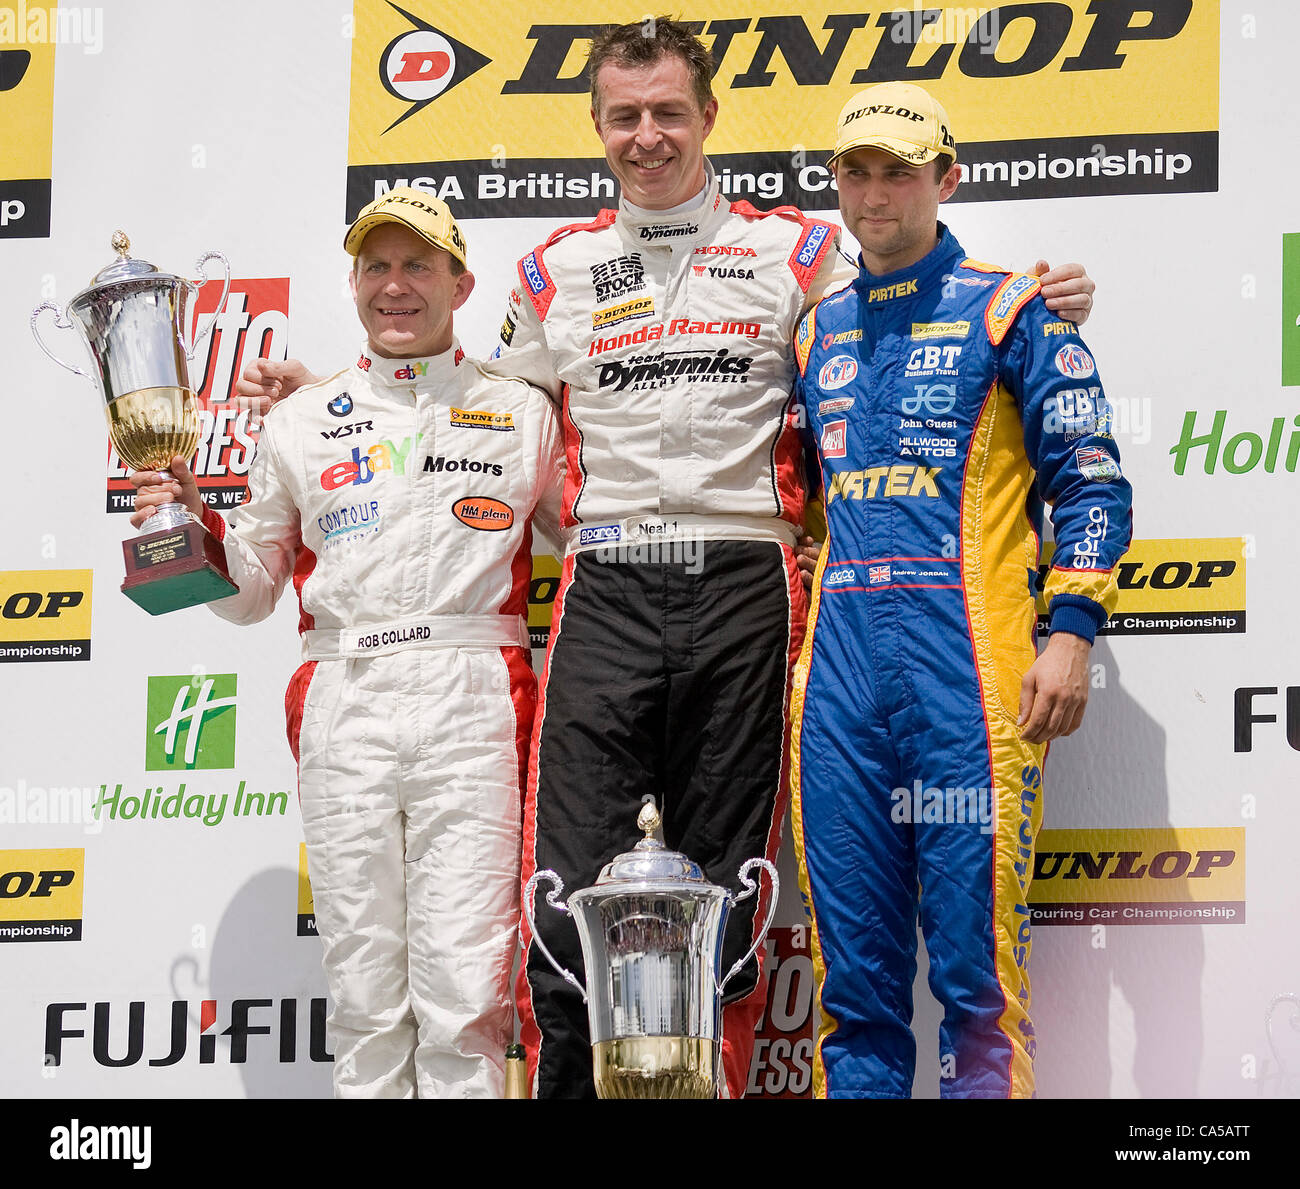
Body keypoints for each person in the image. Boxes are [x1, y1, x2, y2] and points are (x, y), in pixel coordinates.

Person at [237, 20, 1097, 1099]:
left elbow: (916, 287)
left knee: (727, 887)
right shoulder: (553, 270)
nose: (647, 136)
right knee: (566, 888)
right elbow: (468, 414)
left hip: (750, 580)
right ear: (596, 126)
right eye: (624, 116)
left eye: (667, 113)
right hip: (605, 582)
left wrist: (1043, 301)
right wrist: (336, 398)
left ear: (708, 119)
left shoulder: (799, 253)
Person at [131, 189, 563, 1098]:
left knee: (466, 995)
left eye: (417, 265)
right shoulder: (300, 418)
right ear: (354, 281)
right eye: (377, 266)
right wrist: (192, 523)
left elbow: (597, 534)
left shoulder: (523, 413)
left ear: (460, 281)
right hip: (344, 698)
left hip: (473, 697)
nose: (395, 286)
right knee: (364, 998)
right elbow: (251, 590)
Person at [788, 82, 1133, 1098]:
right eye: (856, 171)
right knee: (852, 994)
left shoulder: (1013, 307)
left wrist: (1070, 632)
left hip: (970, 686)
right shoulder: (816, 331)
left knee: (981, 988)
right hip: (841, 699)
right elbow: (805, 508)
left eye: (899, 171)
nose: (875, 192)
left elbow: (1092, 482)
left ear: (946, 177)